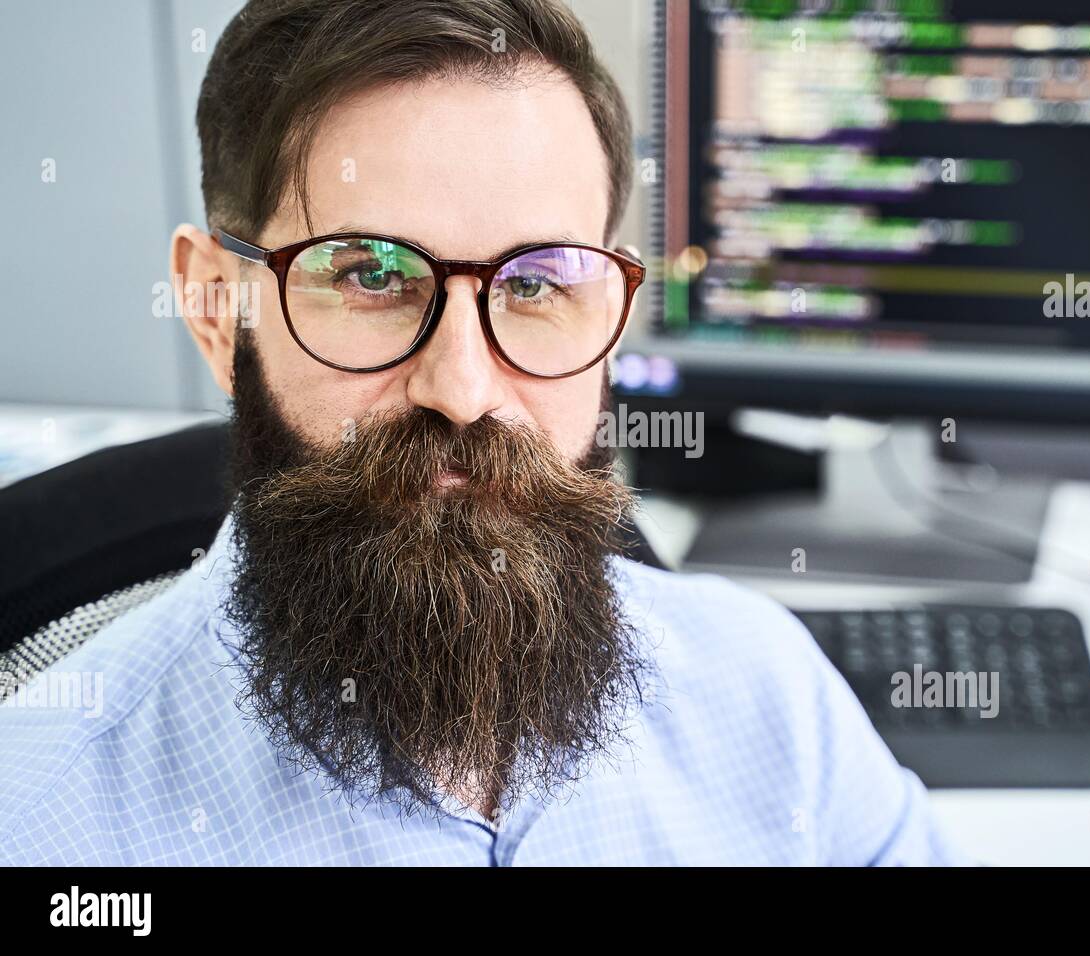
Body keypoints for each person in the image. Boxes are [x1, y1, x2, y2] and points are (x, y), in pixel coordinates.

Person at [0, 0, 964, 865]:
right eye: (370, 276)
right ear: (217, 309)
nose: (462, 389)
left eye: (539, 281)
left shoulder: (772, 699)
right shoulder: (41, 822)